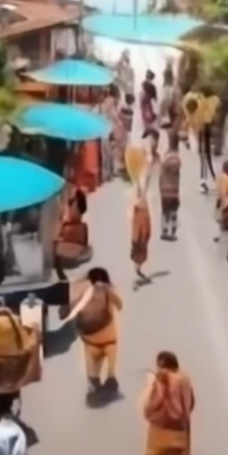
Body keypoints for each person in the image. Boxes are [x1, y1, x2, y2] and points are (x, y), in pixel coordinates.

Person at [141, 350, 195, 455]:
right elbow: (191, 403)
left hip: (158, 430)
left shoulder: (159, 379)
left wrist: (148, 413)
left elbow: (152, 403)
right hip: (178, 430)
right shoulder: (185, 379)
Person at [60, 266, 123, 397]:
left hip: (89, 339)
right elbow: (119, 305)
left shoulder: (82, 293)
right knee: (110, 367)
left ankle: (94, 381)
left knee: (92, 369)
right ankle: (110, 378)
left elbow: (65, 313)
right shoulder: (107, 291)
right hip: (109, 338)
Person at [130, 155, 154, 283]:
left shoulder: (140, 191)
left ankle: (138, 268)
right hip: (140, 211)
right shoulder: (139, 197)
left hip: (141, 211)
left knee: (141, 243)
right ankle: (137, 268)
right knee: (140, 243)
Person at [159, 132, 182, 240]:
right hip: (174, 190)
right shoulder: (177, 159)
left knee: (165, 211)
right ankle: (173, 230)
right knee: (173, 211)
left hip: (165, 190)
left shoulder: (166, 158)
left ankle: (164, 230)